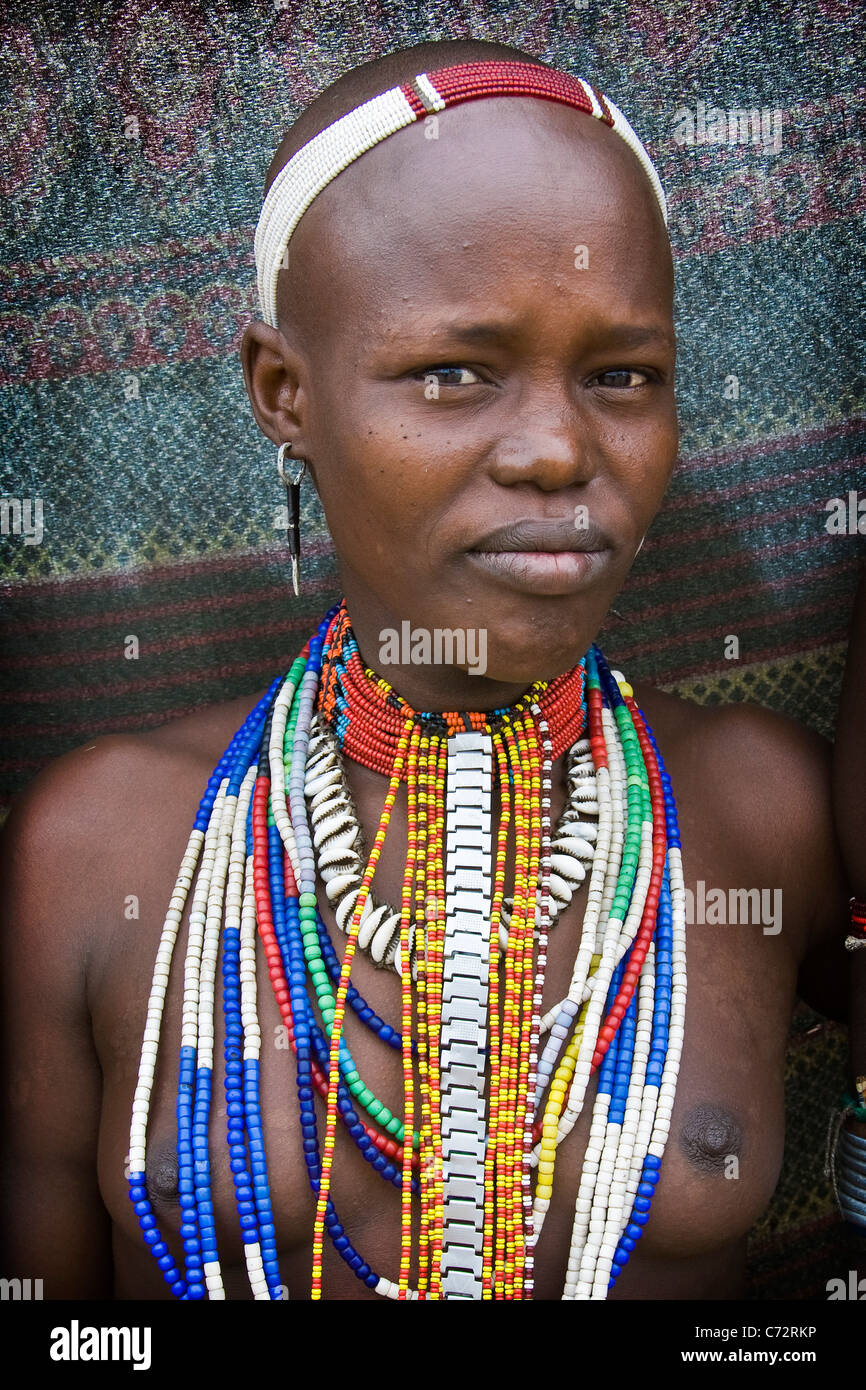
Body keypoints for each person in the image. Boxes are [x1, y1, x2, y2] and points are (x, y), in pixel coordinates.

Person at [0, 36, 856, 1301]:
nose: (559, 452)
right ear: (283, 393)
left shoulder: (759, 814)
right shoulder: (92, 852)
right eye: (453, 373)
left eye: (622, 375)